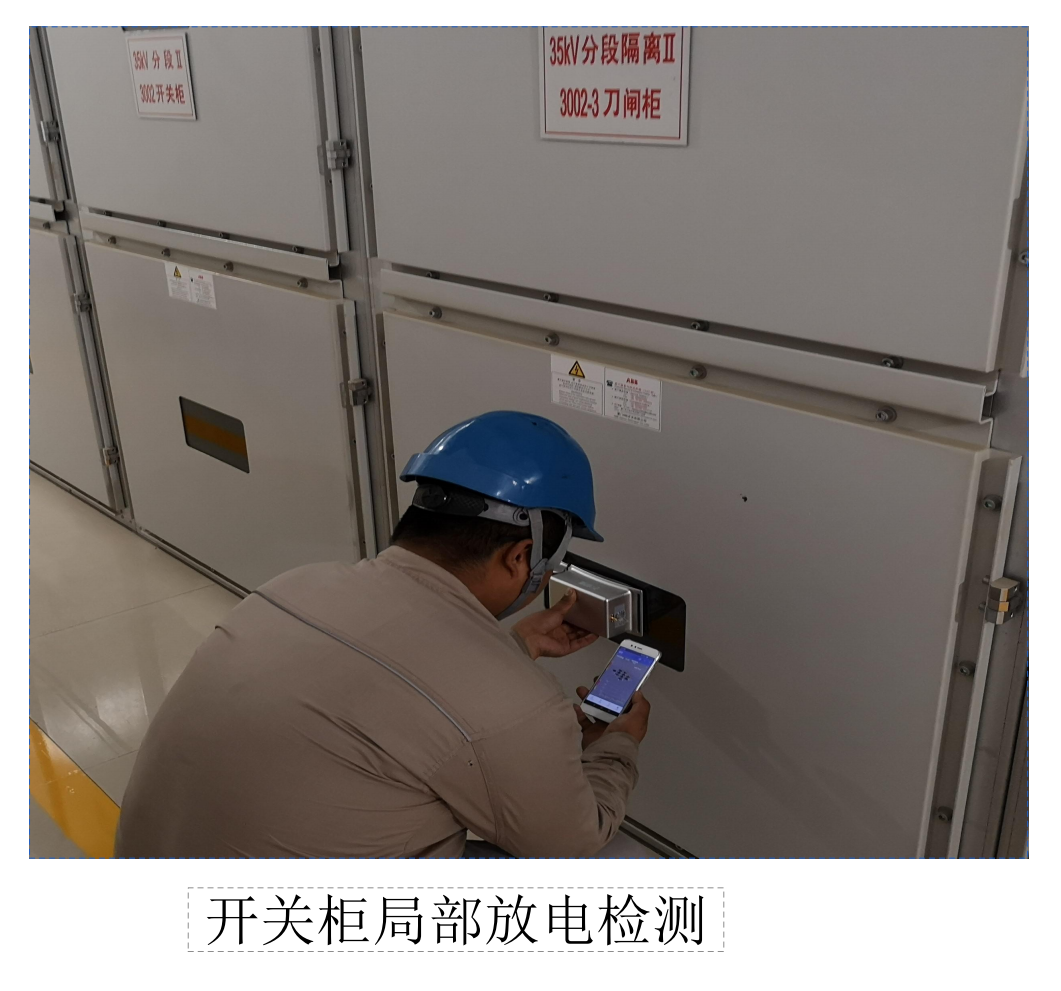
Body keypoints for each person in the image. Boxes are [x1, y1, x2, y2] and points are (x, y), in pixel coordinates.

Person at [115, 410, 650, 858]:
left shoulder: (297, 585)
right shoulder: (517, 707)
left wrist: (515, 648)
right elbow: (572, 838)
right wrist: (617, 745)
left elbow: (397, 698)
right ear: (521, 557)